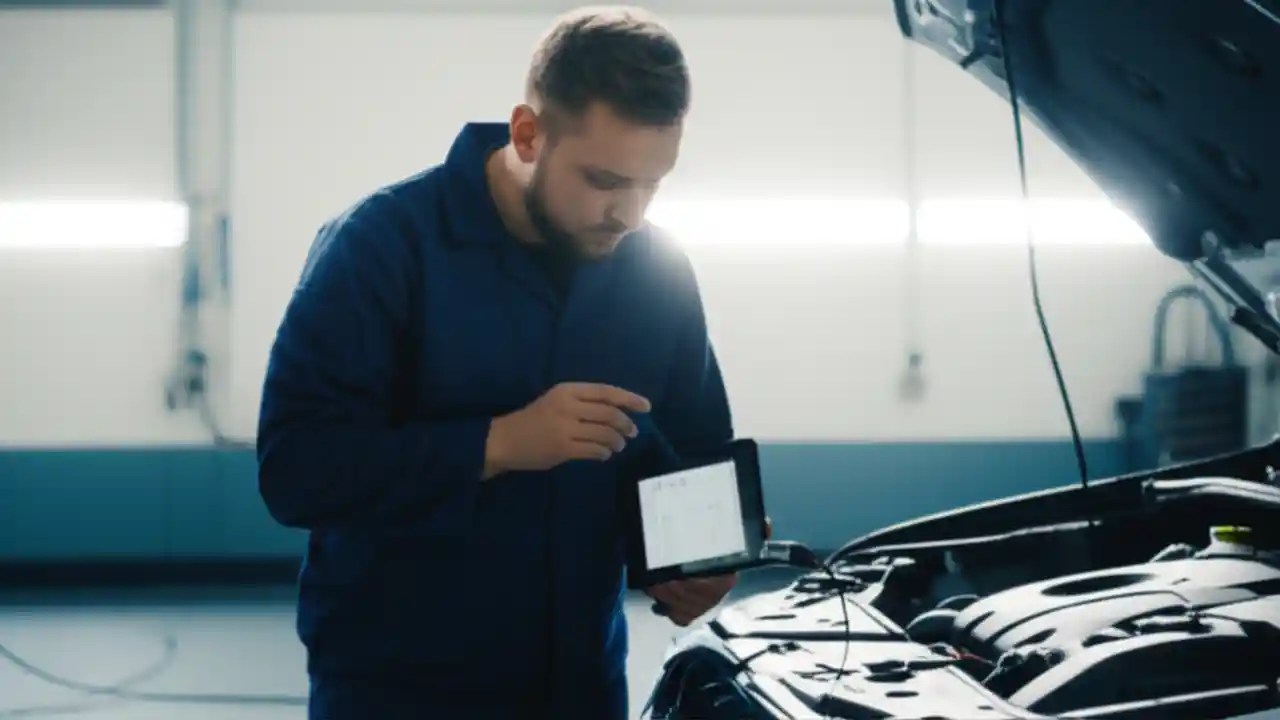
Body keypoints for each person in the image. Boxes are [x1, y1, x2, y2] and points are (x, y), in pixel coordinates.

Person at [256, 5, 741, 719]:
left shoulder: (655, 271)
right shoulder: (380, 248)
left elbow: (696, 449)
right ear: (527, 134)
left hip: (580, 686)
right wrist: (497, 444)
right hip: (396, 692)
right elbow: (295, 472)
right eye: (604, 180)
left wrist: (705, 559)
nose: (630, 214)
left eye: (653, 183)